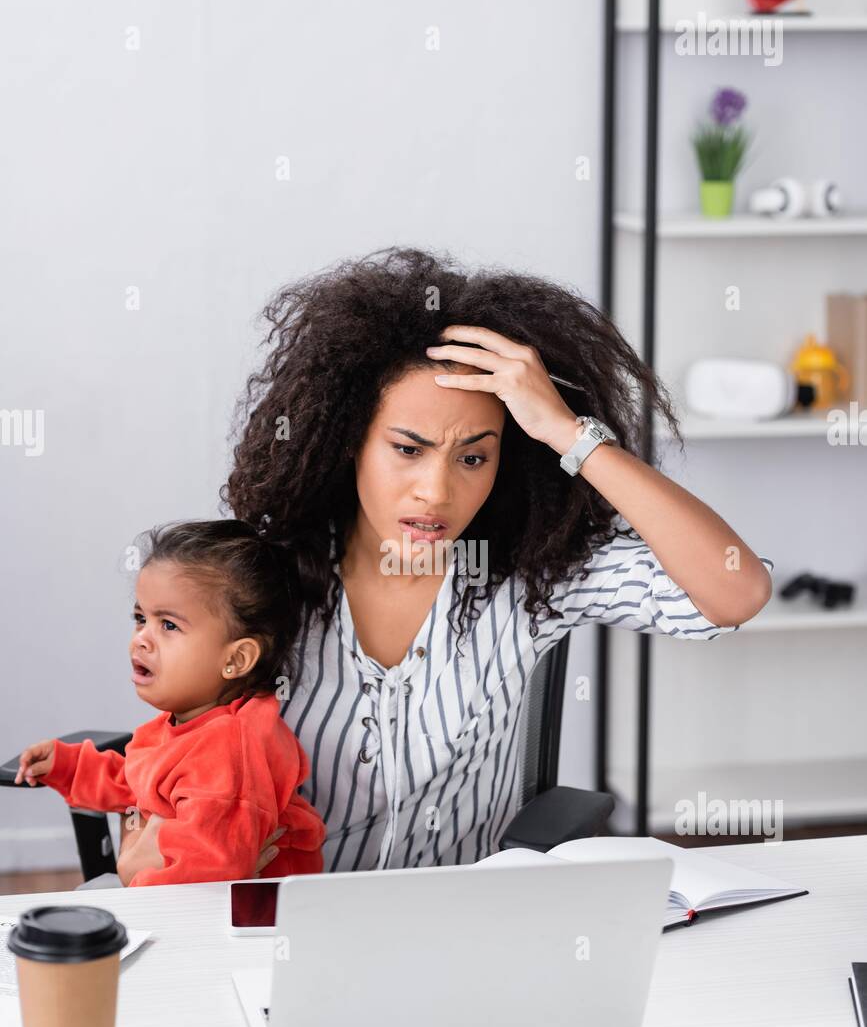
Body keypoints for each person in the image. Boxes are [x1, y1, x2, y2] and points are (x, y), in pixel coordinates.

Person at [221, 246, 773, 872]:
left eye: (473, 457)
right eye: (408, 449)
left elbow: (737, 592)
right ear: (350, 442)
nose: (437, 490)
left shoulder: (531, 575)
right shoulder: (261, 578)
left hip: (468, 933)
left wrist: (570, 434)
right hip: (288, 926)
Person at [14, 520, 325, 886]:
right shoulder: (190, 721)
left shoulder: (229, 752)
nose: (142, 639)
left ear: (237, 660)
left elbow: (204, 875)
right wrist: (70, 767)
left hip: (243, 926)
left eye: (169, 626)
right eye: (140, 618)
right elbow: (145, 783)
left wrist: (131, 871)